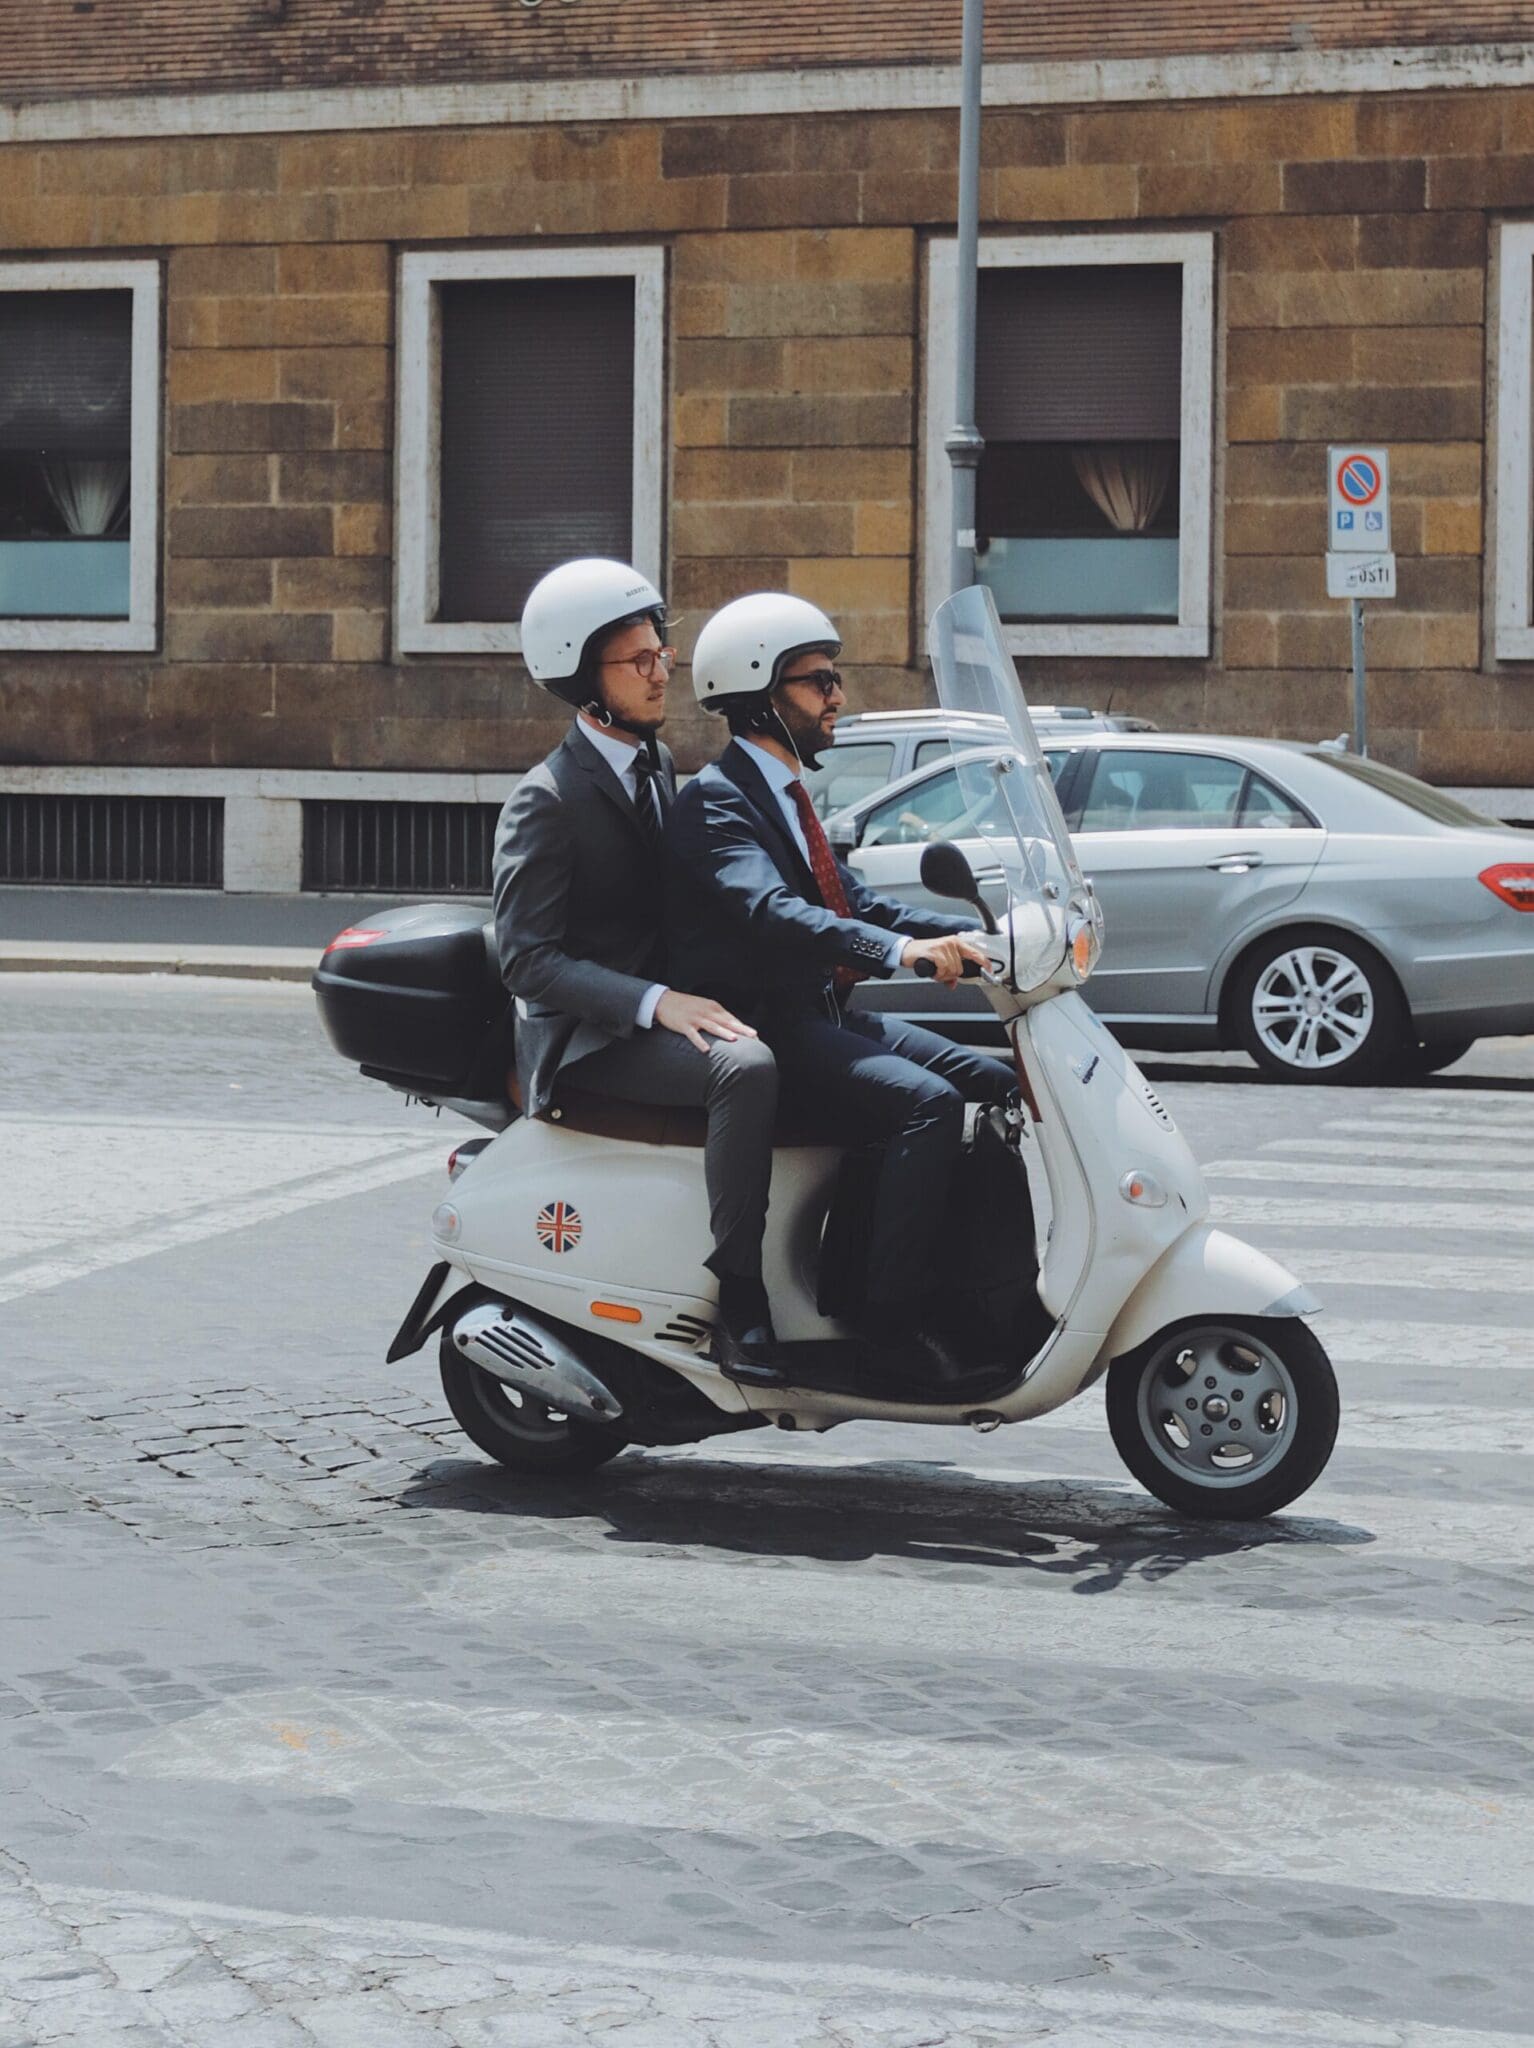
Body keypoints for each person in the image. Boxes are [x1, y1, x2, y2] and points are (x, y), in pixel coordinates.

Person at [665, 592, 1012, 1391]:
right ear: (760, 695)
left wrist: (970, 937)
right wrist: (899, 951)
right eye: (819, 682)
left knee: (995, 1083)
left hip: (822, 1010)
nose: (838, 697)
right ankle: (885, 1322)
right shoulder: (717, 802)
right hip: (765, 1022)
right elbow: (773, 910)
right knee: (928, 1103)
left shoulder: (784, 794)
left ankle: (982, 1289)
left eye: (835, 678)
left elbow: (848, 898)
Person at [492, 559, 782, 1377]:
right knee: (745, 1067)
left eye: (663, 654)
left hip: (653, 1013)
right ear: (584, 678)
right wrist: (658, 1002)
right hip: (587, 1042)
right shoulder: (546, 800)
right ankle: (740, 1302)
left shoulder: (654, 764)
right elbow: (526, 959)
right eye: (640, 662)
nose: (663, 674)